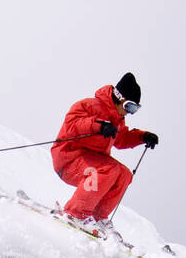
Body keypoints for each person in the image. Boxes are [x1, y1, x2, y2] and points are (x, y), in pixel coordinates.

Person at [50, 72, 158, 239]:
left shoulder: (117, 120)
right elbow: (72, 125)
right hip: (69, 159)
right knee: (108, 169)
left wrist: (143, 137)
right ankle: (76, 213)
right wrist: (98, 126)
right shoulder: (88, 105)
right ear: (119, 98)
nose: (130, 113)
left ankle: (97, 217)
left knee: (124, 174)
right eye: (129, 107)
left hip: (90, 163)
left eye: (135, 109)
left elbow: (121, 139)